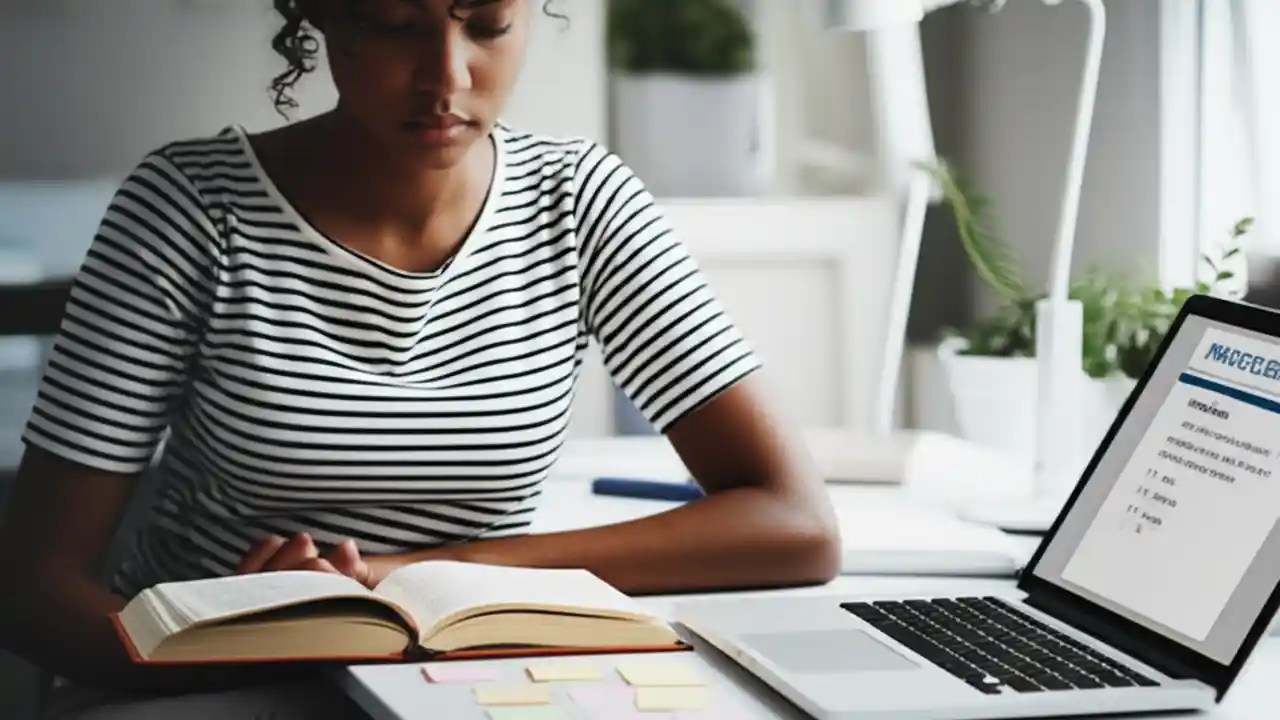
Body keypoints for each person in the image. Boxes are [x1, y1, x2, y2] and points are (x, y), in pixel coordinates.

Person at [0, 0, 841, 716]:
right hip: (207, 683)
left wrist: (434, 571)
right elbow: (36, 585)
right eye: (395, 25)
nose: (446, 78)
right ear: (323, 17)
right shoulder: (192, 207)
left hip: (464, 680)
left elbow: (795, 523)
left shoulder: (579, 203)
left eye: (487, 24)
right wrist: (253, 638)